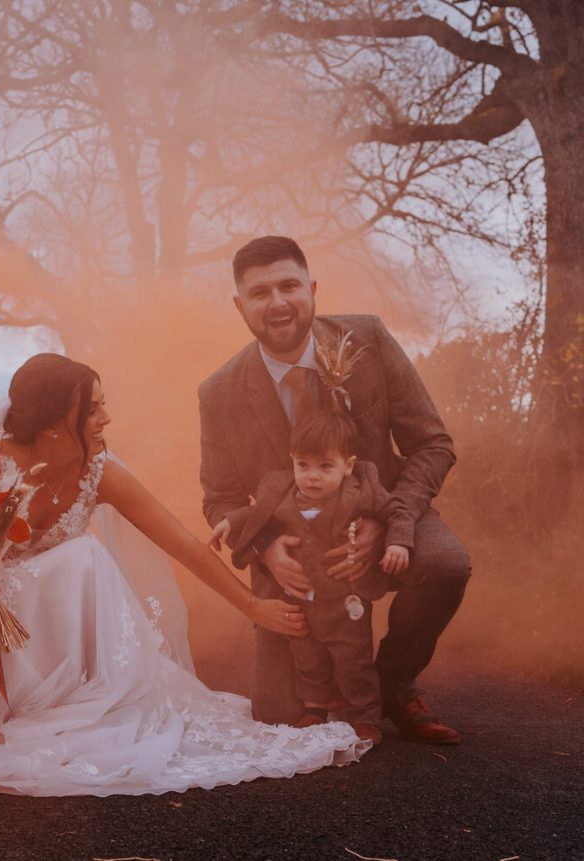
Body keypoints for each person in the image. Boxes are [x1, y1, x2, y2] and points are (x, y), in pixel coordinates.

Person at [0, 353, 369, 797]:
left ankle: (54, 717)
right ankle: (7, 720)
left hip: (60, 632)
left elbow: (182, 543)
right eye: (92, 409)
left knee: (82, 557)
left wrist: (252, 605)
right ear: (54, 421)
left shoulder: (98, 471)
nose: (106, 418)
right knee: (82, 556)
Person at [199, 235, 470, 744]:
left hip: (388, 515)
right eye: (260, 293)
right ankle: (335, 687)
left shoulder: (368, 338)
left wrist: (388, 521)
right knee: (279, 718)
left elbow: (433, 444)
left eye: (288, 285)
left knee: (446, 563)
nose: (277, 302)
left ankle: (390, 684)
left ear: (312, 289)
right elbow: (221, 498)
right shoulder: (218, 392)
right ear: (240, 306)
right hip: (296, 563)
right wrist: (264, 546)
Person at [211, 409, 415, 745]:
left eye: (325, 467)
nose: (312, 476)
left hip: (345, 602)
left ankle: (365, 717)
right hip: (301, 598)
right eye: (303, 465)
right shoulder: (282, 492)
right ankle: (316, 708)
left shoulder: (361, 490)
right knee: (307, 658)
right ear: (292, 461)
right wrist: (230, 522)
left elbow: (397, 510)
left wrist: (398, 543)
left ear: (347, 466)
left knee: (354, 662)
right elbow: (256, 512)